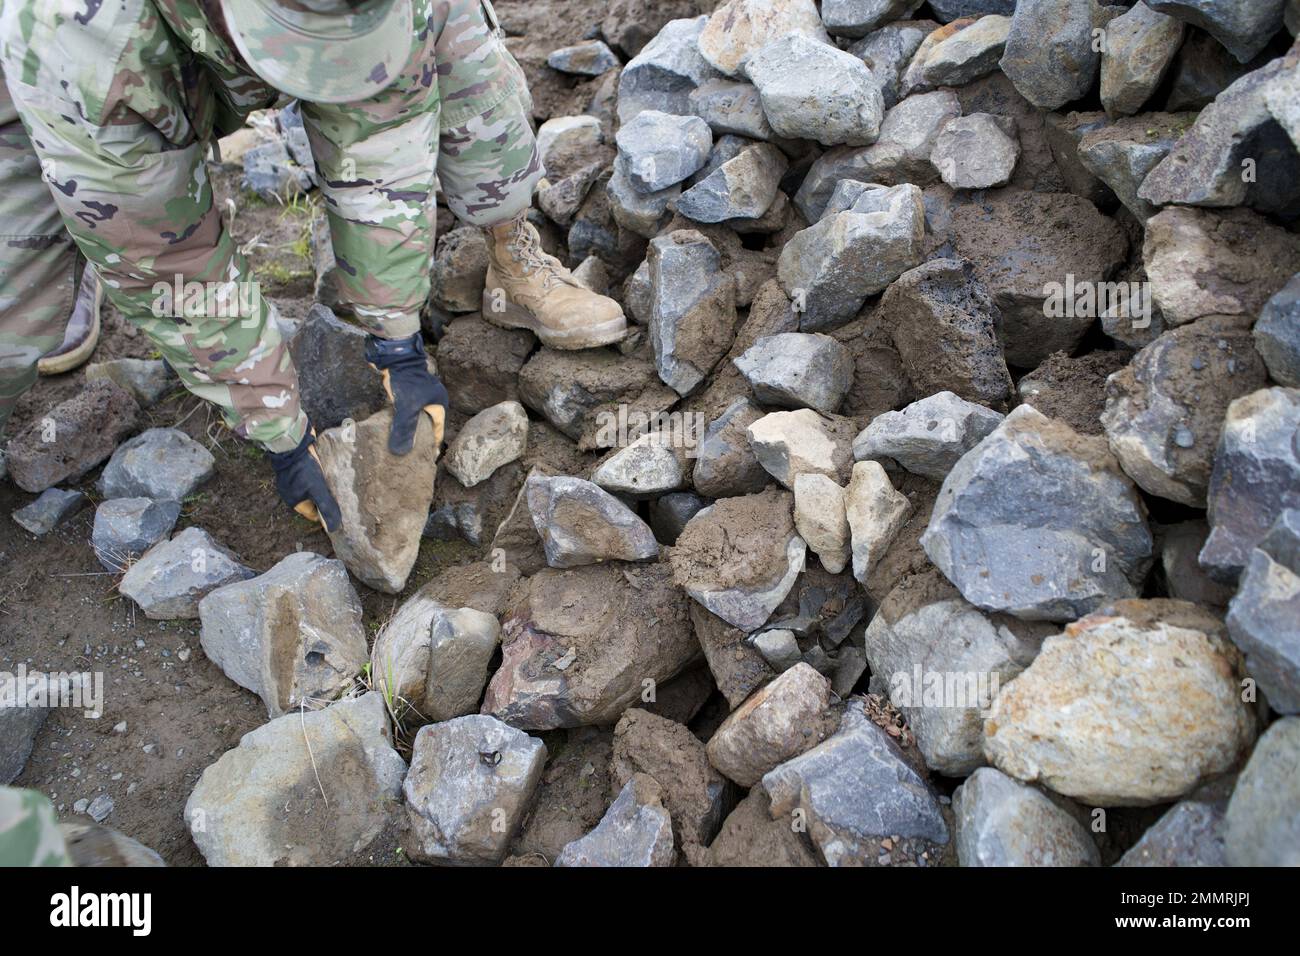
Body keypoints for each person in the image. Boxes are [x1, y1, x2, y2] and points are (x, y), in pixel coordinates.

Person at [0, 0, 625, 529]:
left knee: (454, 47)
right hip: (91, 82)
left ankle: (513, 256)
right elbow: (170, 260)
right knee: (16, 302)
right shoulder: (74, 42)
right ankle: (72, 265)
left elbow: (383, 149)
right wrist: (278, 428)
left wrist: (397, 338)